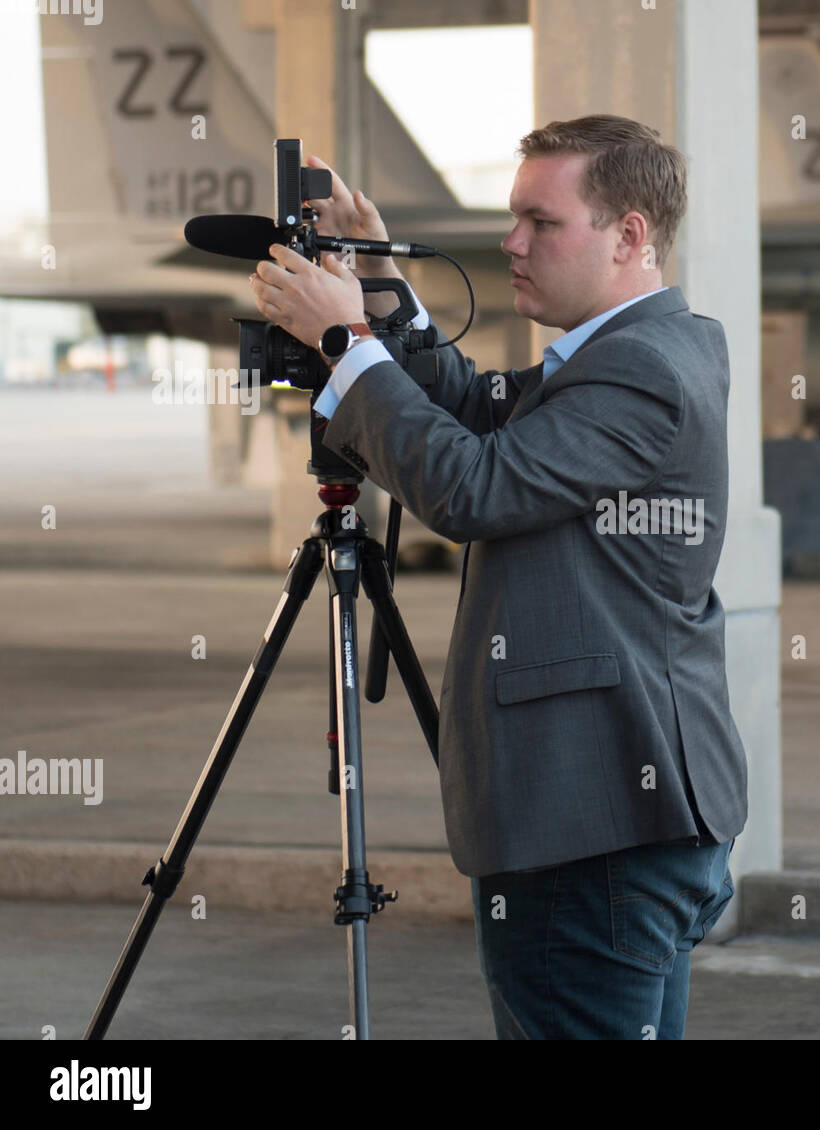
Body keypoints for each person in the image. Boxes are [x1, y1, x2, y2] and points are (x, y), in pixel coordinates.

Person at [248, 115, 746, 1040]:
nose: (511, 243)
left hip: (588, 825)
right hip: (617, 818)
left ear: (630, 235)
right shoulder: (634, 352)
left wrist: (344, 344)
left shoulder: (636, 368)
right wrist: (386, 296)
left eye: (540, 222)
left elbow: (476, 486)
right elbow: (485, 416)